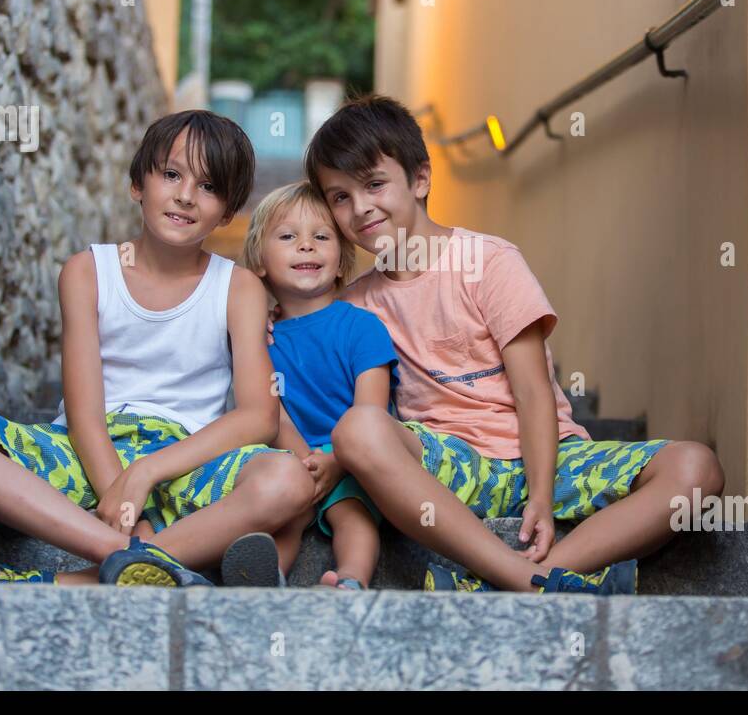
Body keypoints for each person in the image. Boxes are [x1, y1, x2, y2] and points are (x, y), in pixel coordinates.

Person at [305, 95, 726, 594]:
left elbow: (532, 392)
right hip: (448, 469)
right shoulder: (352, 306)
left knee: (696, 468)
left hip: (545, 459)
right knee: (357, 430)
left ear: (420, 179)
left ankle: (538, 576)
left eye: (374, 184)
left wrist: (542, 497)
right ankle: (523, 580)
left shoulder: (490, 261)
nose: (360, 208)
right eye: (339, 197)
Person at [0, 110, 313, 587]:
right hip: (85, 452)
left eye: (208, 187)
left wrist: (145, 472)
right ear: (138, 183)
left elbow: (258, 418)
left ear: (227, 213)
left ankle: (67, 583)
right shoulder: (88, 271)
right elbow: (83, 416)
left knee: (289, 481)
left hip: (189, 460)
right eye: (171, 175)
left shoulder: (237, 286)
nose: (185, 195)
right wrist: (119, 497)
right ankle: (133, 557)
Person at [242, 181, 399, 591]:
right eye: (288, 236)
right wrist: (304, 462)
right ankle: (261, 581)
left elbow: (372, 411)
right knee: (286, 516)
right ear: (259, 260)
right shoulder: (257, 336)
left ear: (343, 260)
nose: (306, 246)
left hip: (352, 458)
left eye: (322, 237)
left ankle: (351, 580)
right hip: (286, 457)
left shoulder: (361, 326)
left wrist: (334, 462)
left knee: (352, 512)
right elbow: (267, 410)